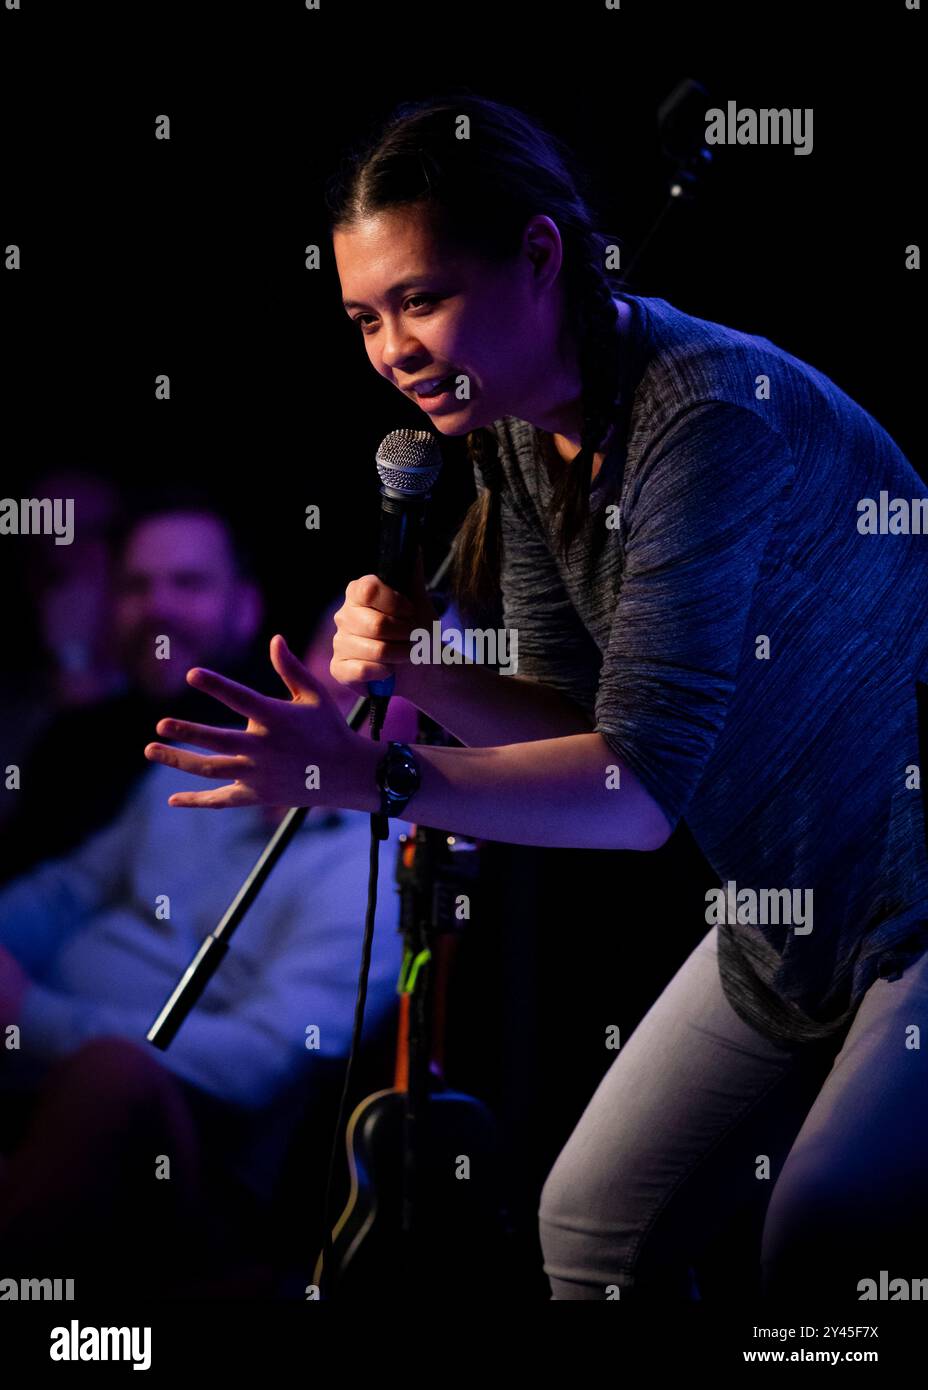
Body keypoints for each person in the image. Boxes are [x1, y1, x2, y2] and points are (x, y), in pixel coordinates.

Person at [139, 93, 928, 1302]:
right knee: (593, 1224)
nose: (392, 348)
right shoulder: (515, 433)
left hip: (911, 898)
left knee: (823, 1235)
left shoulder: (703, 416)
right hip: (792, 911)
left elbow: (634, 796)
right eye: (364, 318)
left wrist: (371, 776)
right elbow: (577, 723)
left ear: (541, 256)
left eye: (420, 300)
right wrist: (416, 674)